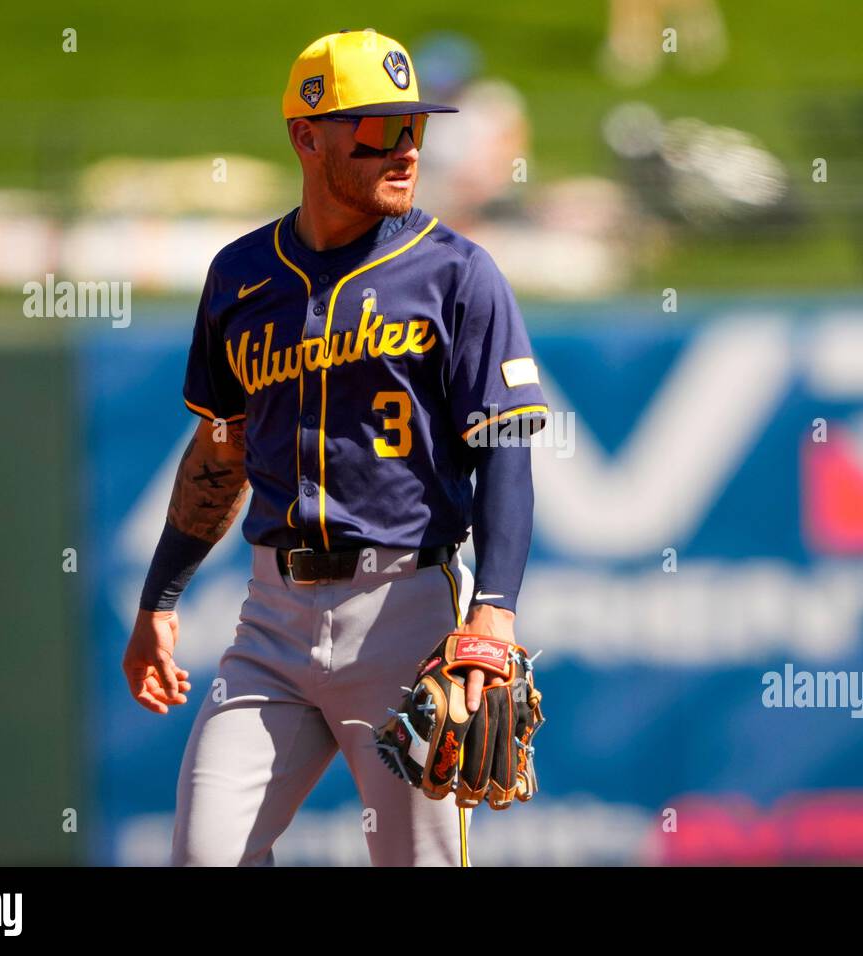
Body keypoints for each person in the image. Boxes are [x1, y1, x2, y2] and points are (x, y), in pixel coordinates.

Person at [119, 29, 548, 867]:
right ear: (305, 136)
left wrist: (492, 613)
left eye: (415, 126)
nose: (406, 148)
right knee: (205, 856)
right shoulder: (242, 277)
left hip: (407, 615)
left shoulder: (458, 273)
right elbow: (221, 451)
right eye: (378, 128)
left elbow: (506, 447)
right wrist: (158, 600)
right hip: (271, 623)